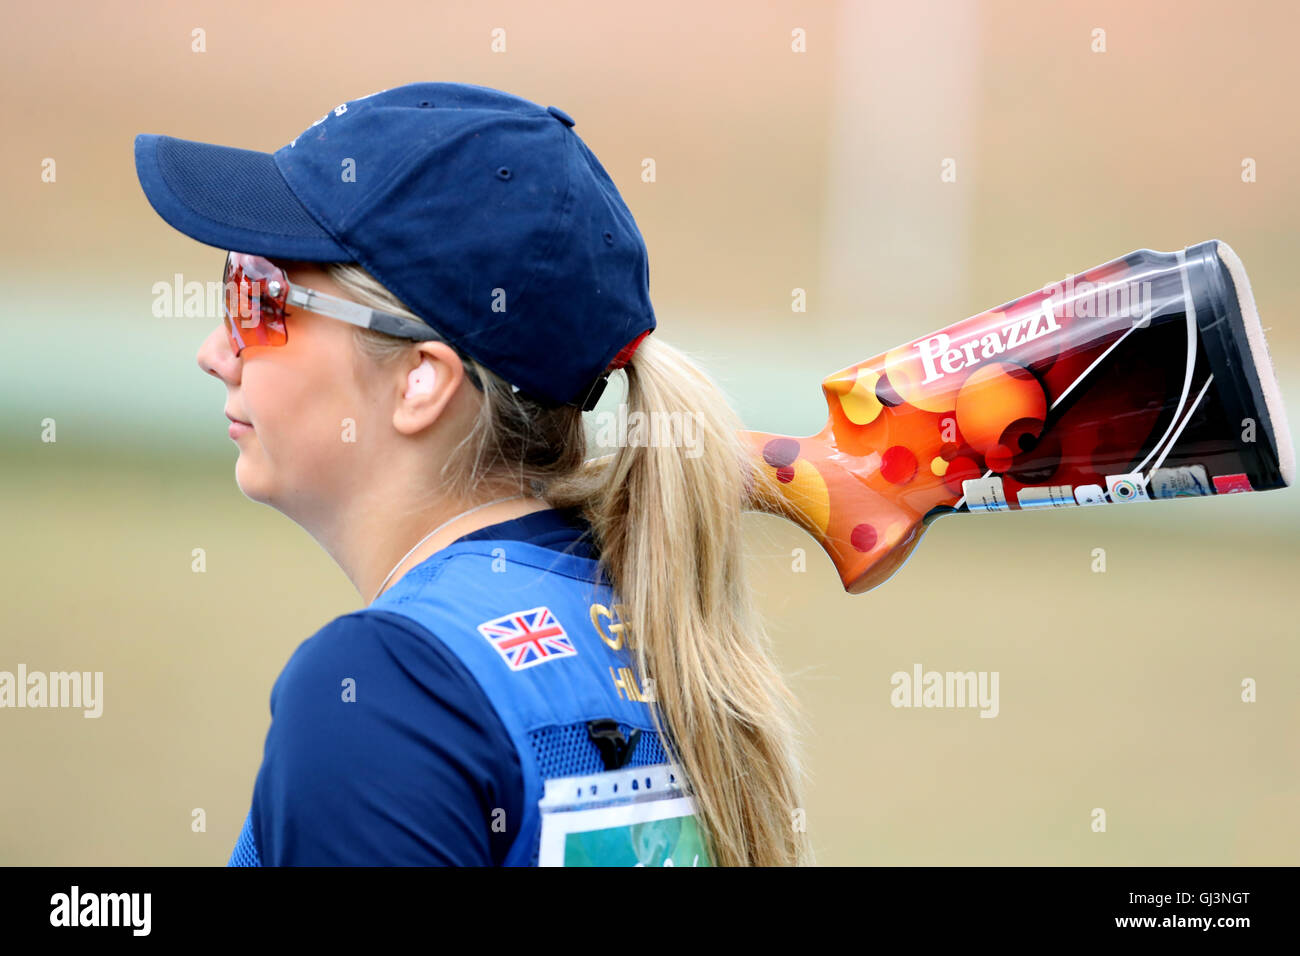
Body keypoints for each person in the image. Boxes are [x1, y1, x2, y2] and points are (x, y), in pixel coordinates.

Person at [134, 81, 810, 866]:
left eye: (258, 299)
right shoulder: (653, 626)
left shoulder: (385, 692)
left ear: (422, 379)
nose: (216, 352)